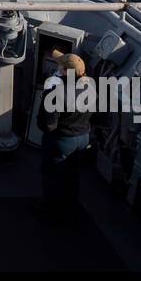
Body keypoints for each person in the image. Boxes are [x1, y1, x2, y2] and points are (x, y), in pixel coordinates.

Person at [38, 52, 92, 219]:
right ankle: (71, 208)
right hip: (83, 138)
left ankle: (50, 212)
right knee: (73, 175)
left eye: (60, 66)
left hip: (62, 140)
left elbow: (48, 124)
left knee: (52, 176)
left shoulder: (56, 93)